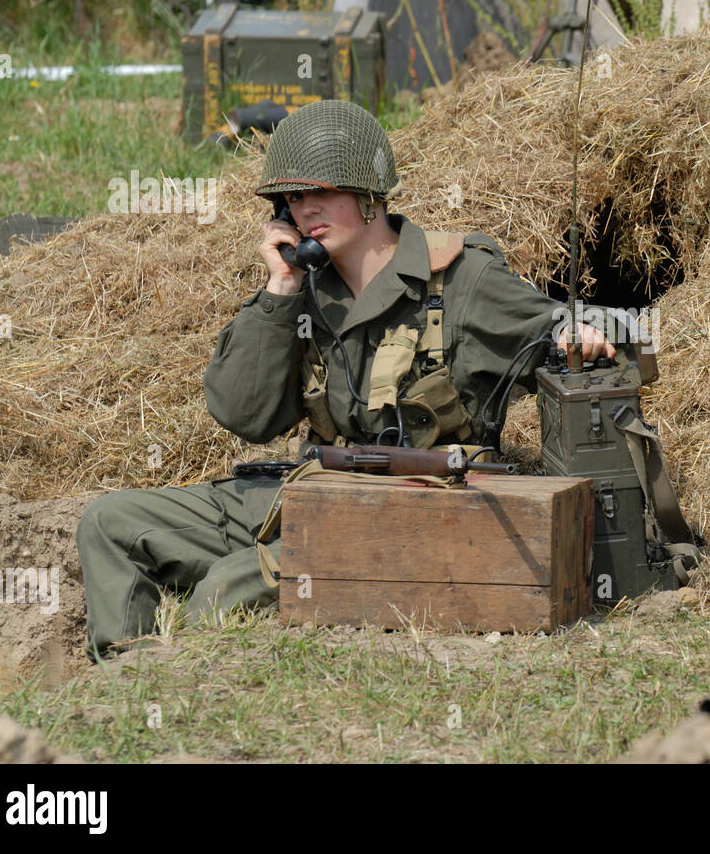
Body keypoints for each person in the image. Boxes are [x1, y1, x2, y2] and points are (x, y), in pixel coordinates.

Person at [75, 99, 613, 658]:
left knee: (219, 591)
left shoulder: (459, 279)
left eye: (320, 192)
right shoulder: (303, 289)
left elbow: (565, 325)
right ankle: (124, 676)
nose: (305, 210)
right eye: (293, 199)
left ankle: (173, 671)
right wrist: (280, 289)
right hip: (306, 489)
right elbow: (244, 416)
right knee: (109, 523)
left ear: (368, 194)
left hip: (405, 511)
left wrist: (580, 333)